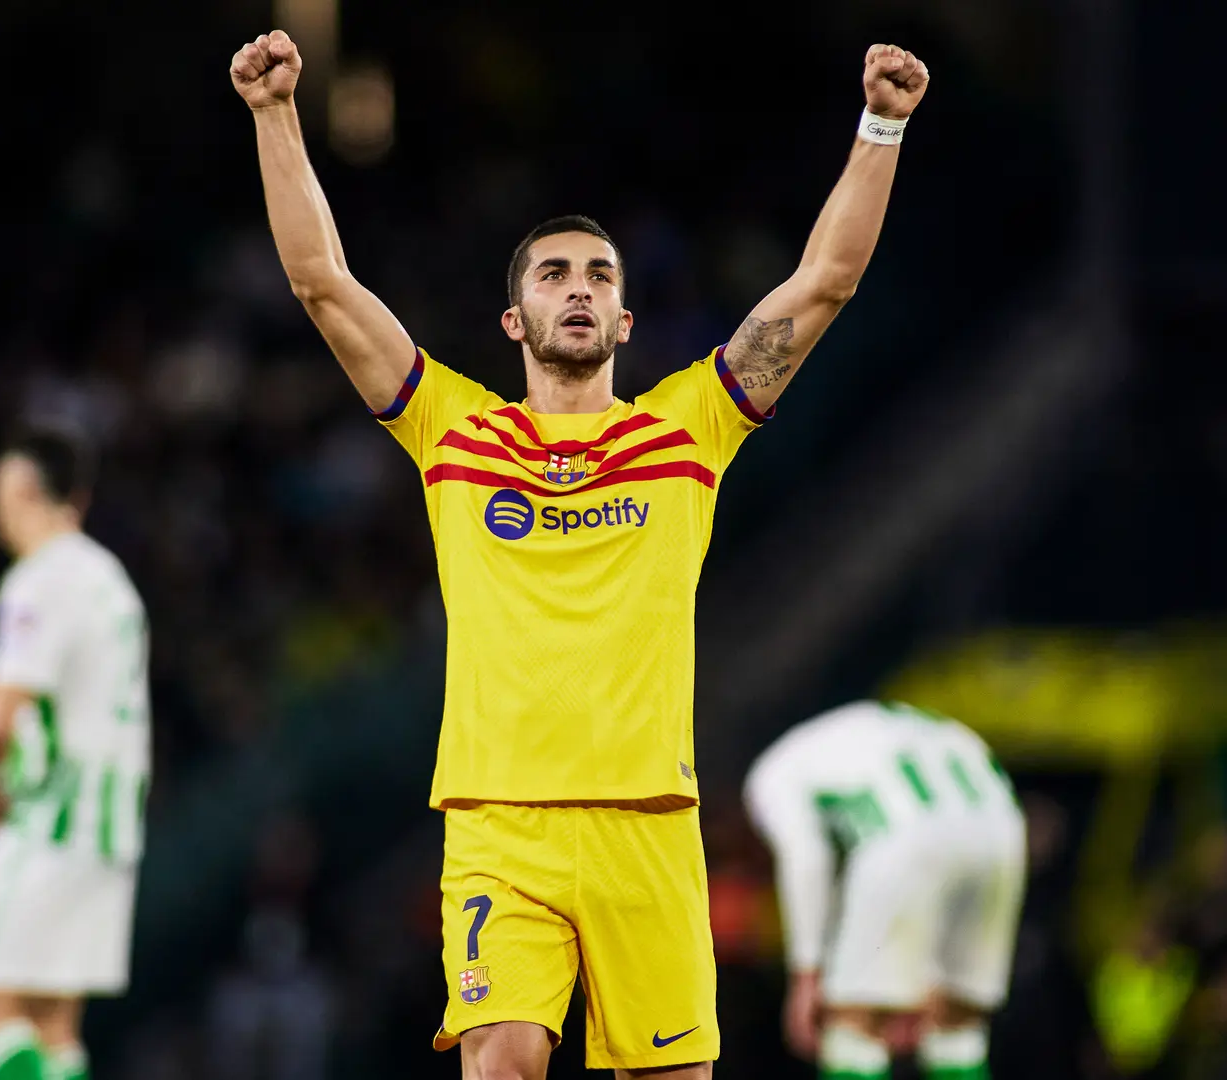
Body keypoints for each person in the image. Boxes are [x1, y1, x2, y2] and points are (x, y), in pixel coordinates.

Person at [230, 27, 928, 1080]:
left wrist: (882, 124)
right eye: (554, 273)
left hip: (647, 818)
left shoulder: (688, 429)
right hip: (499, 821)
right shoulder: (455, 433)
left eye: (599, 274)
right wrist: (277, 115)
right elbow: (324, 284)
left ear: (625, 315)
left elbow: (823, 282)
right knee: (501, 1061)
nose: (579, 287)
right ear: (515, 318)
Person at [0, 429, 152, 1080]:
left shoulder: (38, 581)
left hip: (50, 821)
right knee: (53, 1027)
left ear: (23, 491)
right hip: (113, 827)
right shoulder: (113, 581)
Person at [744, 701, 1026, 1080]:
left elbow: (807, 858)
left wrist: (806, 973)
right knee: (957, 1027)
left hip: (905, 840)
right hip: (1002, 833)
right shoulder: (909, 724)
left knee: (853, 1028)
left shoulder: (771, 774)